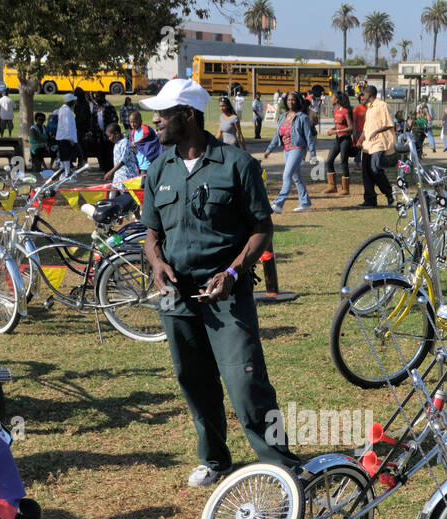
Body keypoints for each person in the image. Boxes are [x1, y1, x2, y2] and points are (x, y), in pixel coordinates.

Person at [139, 79, 299, 487]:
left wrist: (233, 271)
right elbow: (151, 233)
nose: (155, 119)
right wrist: (157, 264)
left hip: (226, 294)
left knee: (246, 381)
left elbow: (263, 228)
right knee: (194, 380)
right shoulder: (159, 169)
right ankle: (213, 459)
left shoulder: (236, 164)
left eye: (164, 112)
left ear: (188, 116)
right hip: (177, 297)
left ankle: (282, 464)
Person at [263, 91, 317, 213]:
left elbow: (309, 137)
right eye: (288, 100)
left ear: (297, 101)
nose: (290, 102)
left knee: (286, 176)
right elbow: (277, 136)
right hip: (286, 150)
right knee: (296, 177)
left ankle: (278, 204)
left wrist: (312, 154)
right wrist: (268, 150)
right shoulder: (283, 117)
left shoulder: (302, 117)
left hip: (297, 149)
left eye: (293, 100)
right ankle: (305, 204)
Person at [356, 85, 396, 208]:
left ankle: (389, 193)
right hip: (368, 144)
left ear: (369, 94)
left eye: (364, 94)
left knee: (375, 168)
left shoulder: (382, 105)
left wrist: (376, 132)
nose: (363, 96)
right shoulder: (369, 108)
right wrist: (361, 138)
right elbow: (366, 127)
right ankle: (370, 200)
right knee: (366, 172)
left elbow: (389, 124)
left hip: (378, 143)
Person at [323, 91, 353, 194]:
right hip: (337, 139)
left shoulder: (345, 111)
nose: (330, 99)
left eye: (332, 98)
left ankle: (346, 189)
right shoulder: (335, 111)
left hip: (345, 139)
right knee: (329, 160)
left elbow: (350, 128)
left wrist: (336, 131)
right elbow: (337, 126)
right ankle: (332, 186)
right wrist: (332, 130)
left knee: (343, 161)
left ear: (337, 100)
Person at [54, 93, 79, 168]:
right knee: (66, 157)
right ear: (70, 101)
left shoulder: (62, 109)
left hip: (63, 137)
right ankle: (66, 173)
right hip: (66, 138)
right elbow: (66, 125)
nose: (74, 103)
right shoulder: (66, 111)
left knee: (63, 157)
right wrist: (70, 139)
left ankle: (64, 173)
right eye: (73, 101)